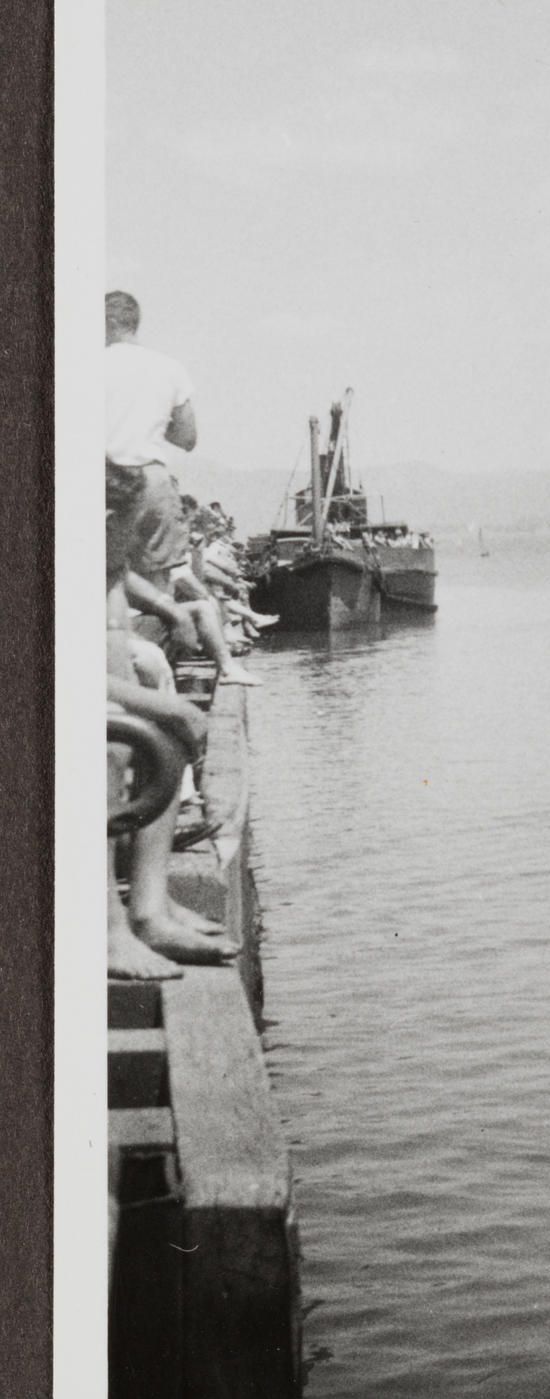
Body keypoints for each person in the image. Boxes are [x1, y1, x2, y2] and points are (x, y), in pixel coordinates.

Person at [105, 461, 236, 976]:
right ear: (107, 516)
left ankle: (150, 909)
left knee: (162, 736)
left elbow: (124, 580)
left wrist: (169, 606)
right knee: (127, 746)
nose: (136, 542)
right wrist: (166, 704)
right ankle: (110, 932)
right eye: (133, 527)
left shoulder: (99, 554)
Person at [104, 292, 197, 589]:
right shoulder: (170, 367)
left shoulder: (82, 365)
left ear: (108, 322)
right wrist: (151, 419)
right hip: (152, 481)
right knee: (159, 587)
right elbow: (187, 437)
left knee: (102, 581)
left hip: (106, 479)